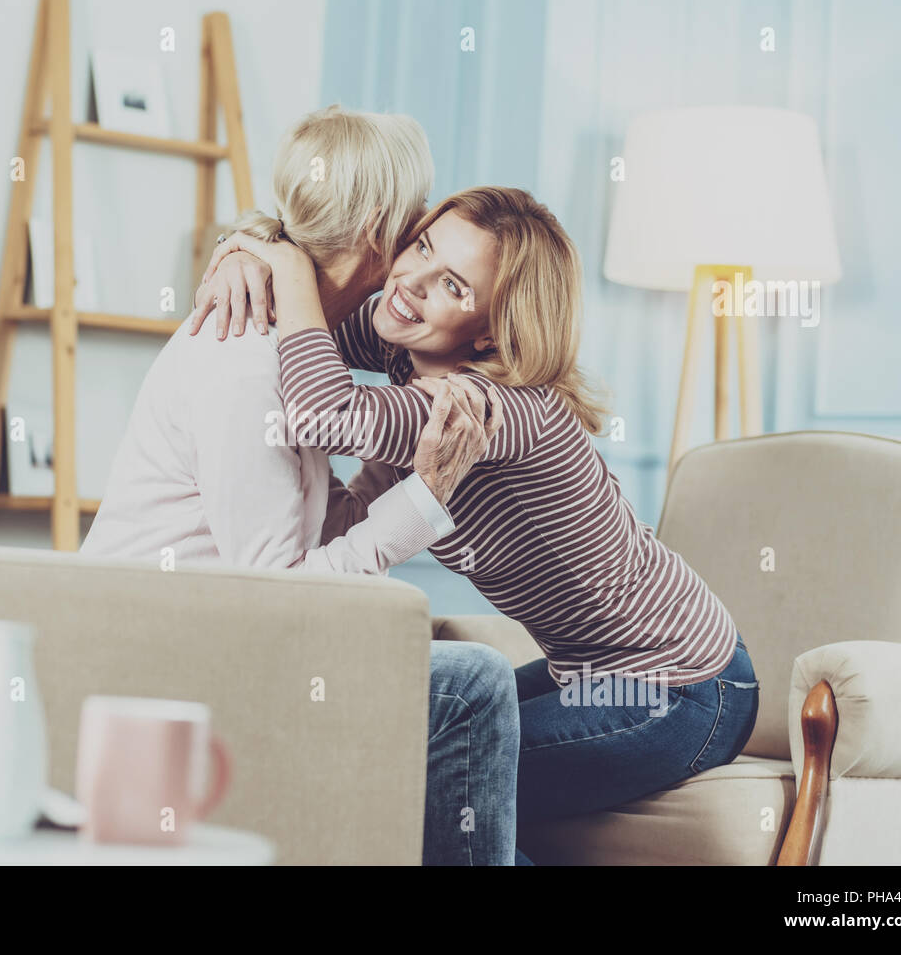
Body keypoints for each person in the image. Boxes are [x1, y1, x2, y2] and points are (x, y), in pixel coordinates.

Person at [195, 184, 760, 863]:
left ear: (491, 328)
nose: (411, 285)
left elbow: (320, 412)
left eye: (453, 286)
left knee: (446, 766)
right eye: (423, 247)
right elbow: (312, 318)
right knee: (440, 747)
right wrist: (243, 251)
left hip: (685, 686)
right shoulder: (408, 339)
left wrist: (282, 267)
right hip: (585, 669)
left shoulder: (481, 407)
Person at [82, 107, 520, 865]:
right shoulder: (249, 365)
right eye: (417, 223)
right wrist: (425, 498)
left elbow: (306, 534)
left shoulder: (292, 332)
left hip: (218, 633)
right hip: (166, 659)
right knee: (472, 683)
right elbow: (285, 594)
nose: (422, 241)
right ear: (382, 225)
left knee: (440, 658)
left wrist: (411, 474)